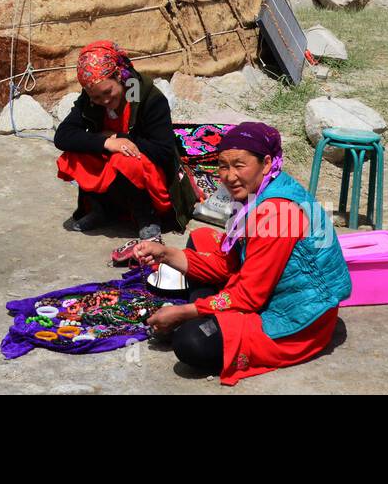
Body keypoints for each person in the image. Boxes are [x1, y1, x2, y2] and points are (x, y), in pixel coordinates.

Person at [133, 121, 351, 385]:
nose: (229, 176)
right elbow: (230, 260)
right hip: (266, 287)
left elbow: (250, 297)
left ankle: (204, 308)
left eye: (239, 165)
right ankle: (208, 306)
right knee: (201, 238)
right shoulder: (259, 192)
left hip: (298, 316)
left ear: (267, 163)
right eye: (223, 166)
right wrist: (164, 253)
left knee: (191, 342)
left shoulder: (277, 215)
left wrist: (185, 312)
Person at [54, 40, 195, 239]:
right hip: (114, 162)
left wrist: (120, 139)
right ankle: (102, 210)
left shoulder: (143, 96)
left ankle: (146, 216)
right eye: (96, 97)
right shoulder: (92, 100)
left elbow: (163, 151)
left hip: (151, 175)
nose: (104, 101)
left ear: (120, 76)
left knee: (125, 159)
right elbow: (63, 136)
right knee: (74, 156)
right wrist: (107, 143)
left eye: (108, 92)